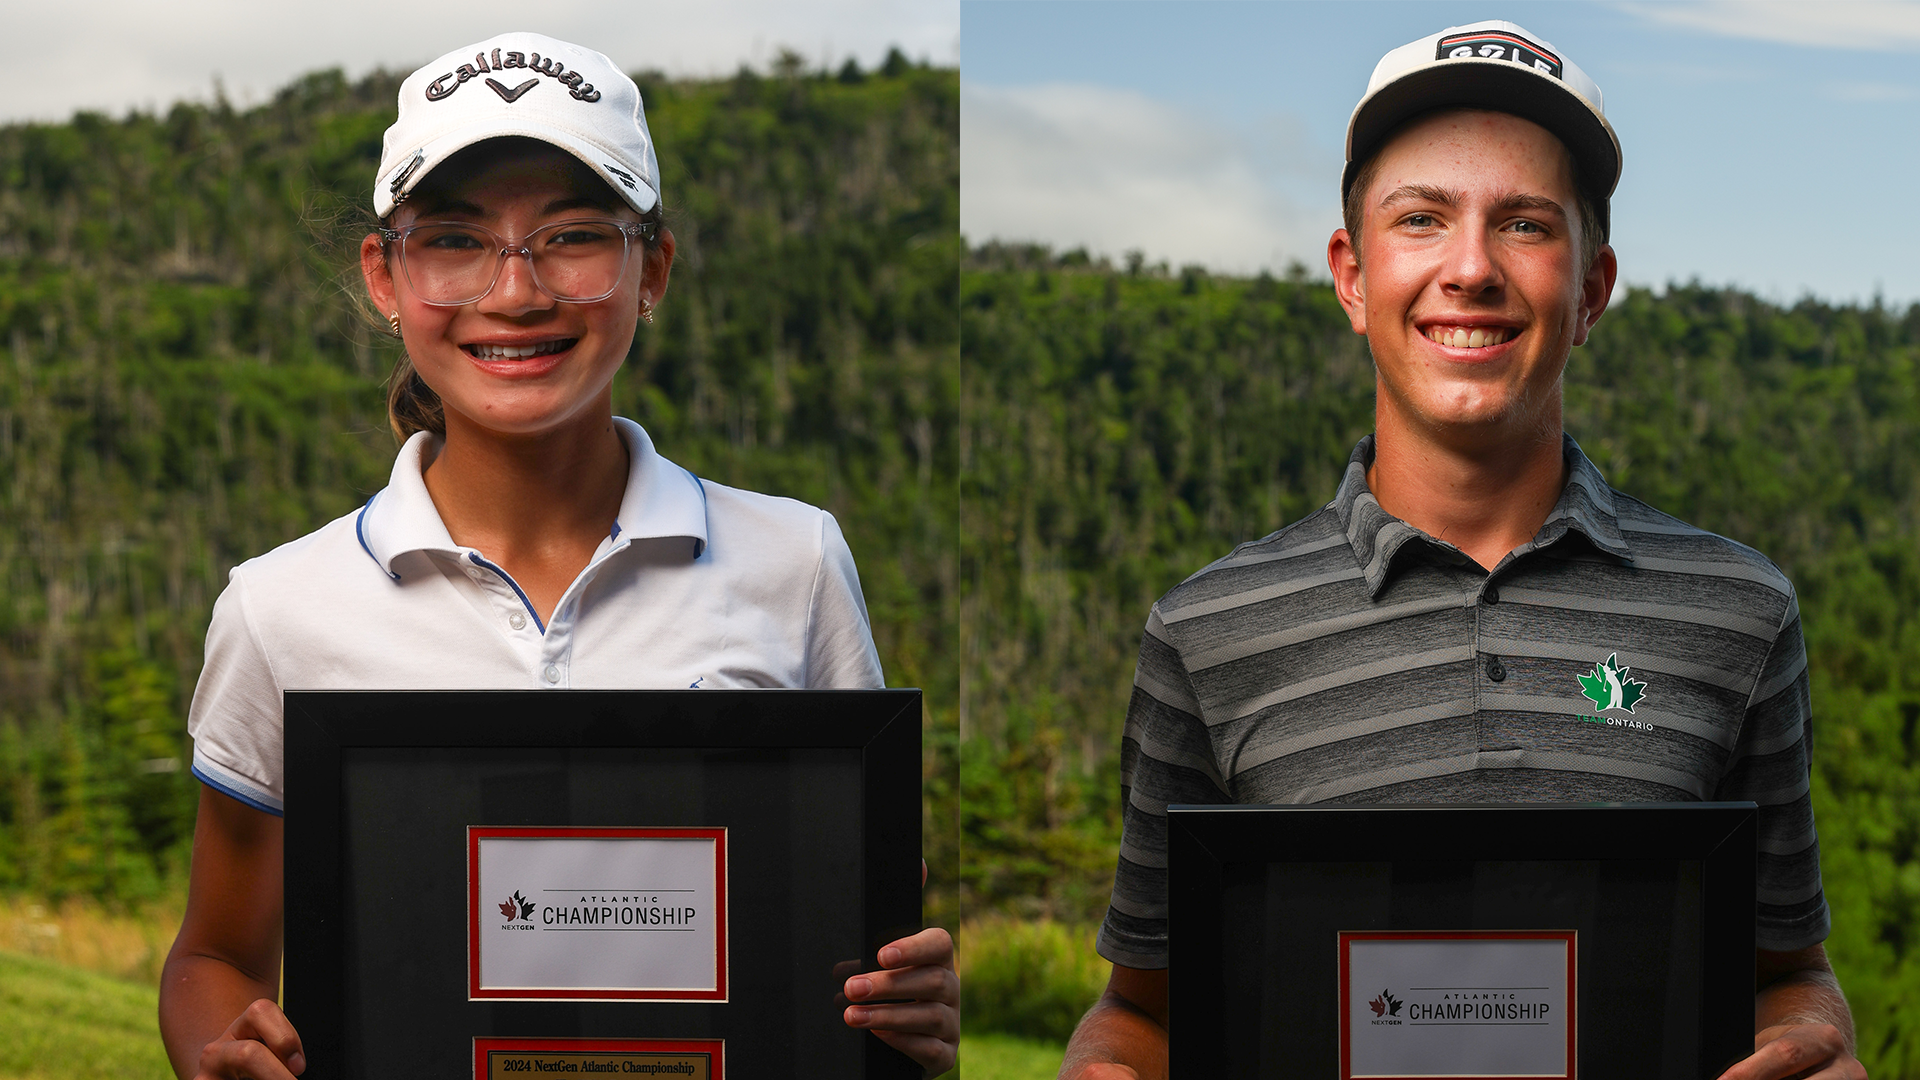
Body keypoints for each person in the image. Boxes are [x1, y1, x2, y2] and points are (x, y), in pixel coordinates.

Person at [1060, 20, 1862, 1080]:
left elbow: (1787, 973)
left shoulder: (1740, 613)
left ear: (1592, 288)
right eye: (1422, 219)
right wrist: (1095, 1067)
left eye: (1525, 223)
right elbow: (1142, 1008)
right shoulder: (1208, 631)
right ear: (1352, 276)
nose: (1471, 267)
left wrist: (1821, 1043)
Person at [158, 32, 957, 1079]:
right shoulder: (281, 607)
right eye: (454, 240)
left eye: (573, 236)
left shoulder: (795, 559)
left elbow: (853, 923)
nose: (517, 291)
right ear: (386, 277)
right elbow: (216, 953)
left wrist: (912, 1007)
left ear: (651, 266)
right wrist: (221, 1052)